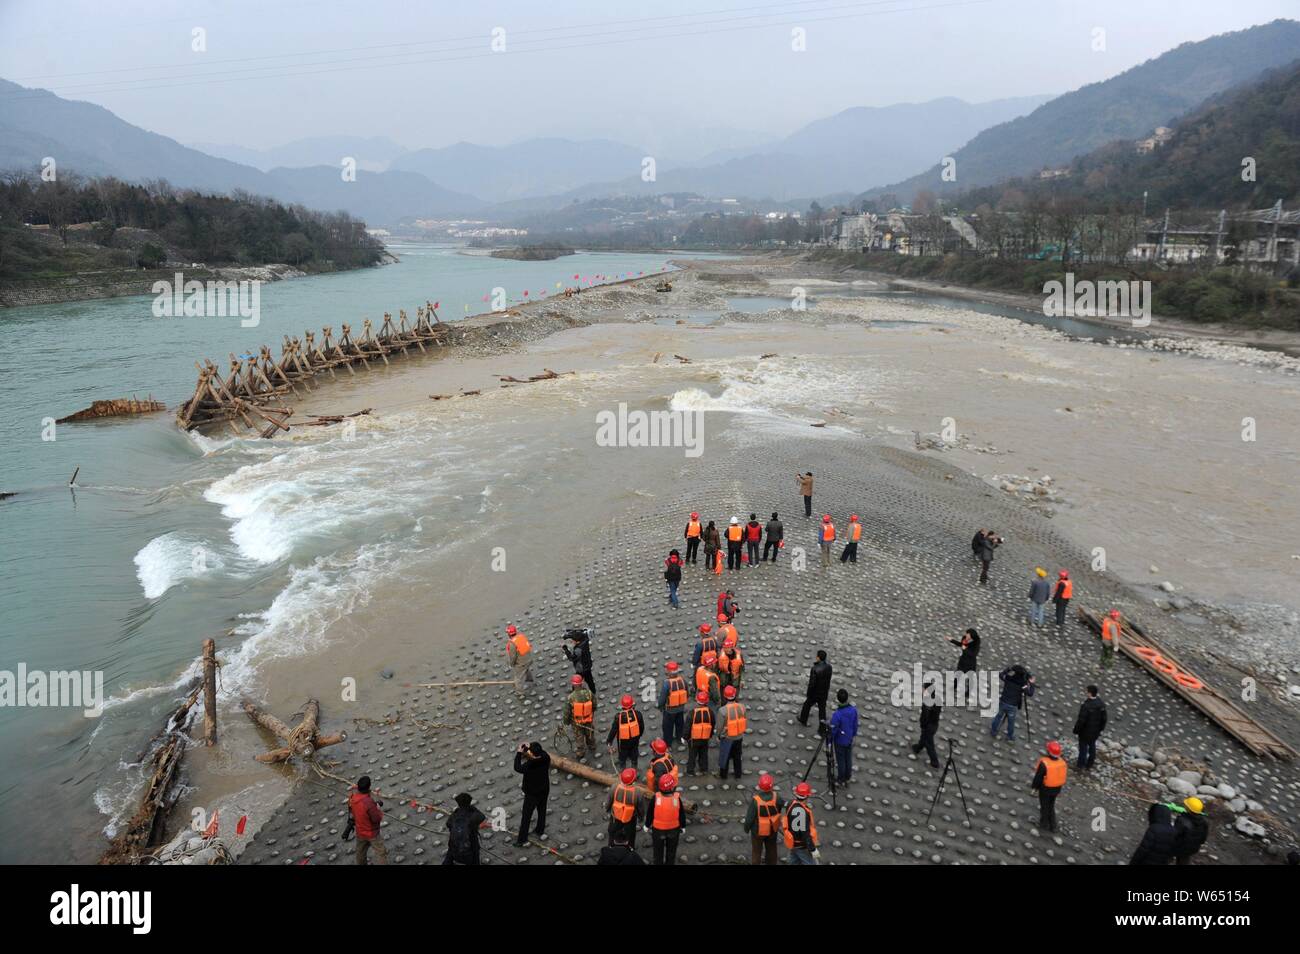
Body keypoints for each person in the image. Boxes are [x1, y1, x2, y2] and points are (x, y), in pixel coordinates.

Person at [513, 741, 550, 847]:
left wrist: (519, 753)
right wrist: (530, 748)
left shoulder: (530, 764)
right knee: (542, 810)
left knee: (526, 817)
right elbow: (538, 753)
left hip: (532, 794)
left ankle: (522, 839)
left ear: (532, 754)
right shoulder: (545, 757)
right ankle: (540, 830)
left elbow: (517, 767)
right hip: (544, 789)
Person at [743, 773, 784, 865]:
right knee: (772, 849)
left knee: (756, 851)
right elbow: (782, 806)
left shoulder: (756, 800)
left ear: (760, 786)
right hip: (772, 829)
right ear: (772, 786)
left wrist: (746, 828)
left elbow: (750, 817)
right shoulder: (777, 797)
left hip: (758, 831)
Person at [647, 773, 687, 865]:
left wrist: (647, 824)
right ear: (671, 787)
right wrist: (683, 826)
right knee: (671, 852)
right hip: (674, 830)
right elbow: (681, 814)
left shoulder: (656, 797)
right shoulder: (677, 799)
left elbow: (650, 813)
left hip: (658, 831)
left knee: (657, 852)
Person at [989, 664, 1034, 741]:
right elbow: (1030, 693)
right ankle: (1010, 736)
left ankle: (993, 731)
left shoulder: (1008, 678)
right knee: (1011, 722)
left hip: (1003, 701)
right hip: (1012, 706)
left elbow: (1001, 675)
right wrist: (1032, 684)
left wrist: (1008, 669)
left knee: (998, 717)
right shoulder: (1023, 684)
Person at [349, 775, 387, 865]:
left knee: (360, 853)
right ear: (369, 787)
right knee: (381, 853)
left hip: (360, 831)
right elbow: (376, 819)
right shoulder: (368, 803)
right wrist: (377, 809)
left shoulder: (353, 799)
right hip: (371, 833)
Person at [1031, 740, 1067, 833]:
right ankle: (1053, 825)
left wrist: (1035, 787)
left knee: (1044, 806)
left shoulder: (1044, 763)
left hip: (1045, 789)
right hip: (1057, 789)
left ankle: (1044, 824)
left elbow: (1038, 777)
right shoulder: (1062, 762)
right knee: (1051, 805)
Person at [443, 792, 486, 865]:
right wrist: (473, 808)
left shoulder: (456, 814)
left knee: (448, 859)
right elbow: (482, 816)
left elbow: (448, 824)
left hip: (454, 845)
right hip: (471, 846)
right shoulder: (472, 814)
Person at [782, 781, 820, 864]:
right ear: (807, 796)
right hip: (802, 846)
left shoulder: (790, 804)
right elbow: (805, 833)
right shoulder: (803, 812)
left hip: (792, 843)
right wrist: (812, 849)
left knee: (793, 862)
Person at [606, 767, 644, 848]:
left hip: (615, 818)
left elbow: (608, 802)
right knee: (630, 836)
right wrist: (641, 817)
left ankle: (611, 848)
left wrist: (608, 810)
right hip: (630, 819)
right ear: (633, 780)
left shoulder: (614, 787)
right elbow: (640, 808)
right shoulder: (638, 792)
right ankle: (630, 850)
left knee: (612, 834)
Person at [1072, 685, 1107, 769]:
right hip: (1095, 732)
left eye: (1087, 691)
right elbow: (1104, 719)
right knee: (1092, 746)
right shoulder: (1101, 704)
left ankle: (1080, 765)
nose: (1086, 692)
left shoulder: (1086, 706)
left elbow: (1081, 720)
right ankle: (1090, 764)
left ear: (1090, 693)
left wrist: (1076, 730)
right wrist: (1100, 729)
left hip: (1085, 732)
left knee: (1083, 749)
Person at [606, 694, 644, 770]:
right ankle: (634, 771)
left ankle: (623, 771)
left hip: (623, 744)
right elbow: (642, 728)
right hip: (634, 741)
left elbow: (613, 730)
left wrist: (609, 741)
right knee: (634, 757)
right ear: (632, 705)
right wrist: (638, 736)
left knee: (622, 759)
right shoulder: (638, 714)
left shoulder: (618, 717)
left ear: (622, 706)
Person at [563, 673, 597, 759]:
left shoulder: (571, 697)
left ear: (573, 685)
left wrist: (566, 721)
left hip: (577, 722)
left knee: (579, 736)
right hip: (588, 719)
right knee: (589, 733)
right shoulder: (589, 693)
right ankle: (592, 745)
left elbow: (567, 711)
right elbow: (594, 705)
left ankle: (581, 751)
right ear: (582, 683)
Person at [716, 684, 747, 779]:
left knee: (724, 756)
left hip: (727, 738)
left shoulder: (722, 711)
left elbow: (719, 727)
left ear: (725, 696)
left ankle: (723, 775)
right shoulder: (742, 707)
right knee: (737, 757)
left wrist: (718, 736)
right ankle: (738, 774)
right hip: (739, 737)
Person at [829, 688, 858, 782]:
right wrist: (853, 735)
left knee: (841, 760)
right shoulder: (853, 710)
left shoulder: (837, 714)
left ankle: (841, 778)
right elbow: (855, 724)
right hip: (849, 738)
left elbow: (833, 729)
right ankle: (848, 776)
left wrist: (829, 741)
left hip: (839, 741)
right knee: (848, 758)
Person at [657, 661, 689, 748]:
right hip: (680, 708)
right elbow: (687, 694)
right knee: (680, 724)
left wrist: (660, 706)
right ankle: (680, 738)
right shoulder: (683, 681)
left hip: (669, 711)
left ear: (668, 672)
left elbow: (662, 698)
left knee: (667, 727)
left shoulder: (666, 684)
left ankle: (668, 744)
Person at [798, 650, 832, 727]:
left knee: (807, 705)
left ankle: (803, 719)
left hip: (815, 693)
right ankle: (822, 726)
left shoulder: (815, 669)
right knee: (822, 710)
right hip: (824, 693)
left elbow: (812, 683)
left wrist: (809, 693)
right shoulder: (829, 667)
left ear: (818, 658)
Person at [911, 682, 941, 768]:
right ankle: (918, 748)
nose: (921, 690)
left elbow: (926, 715)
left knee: (929, 744)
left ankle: (935, 762)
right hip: (934, 724)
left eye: (923, 688)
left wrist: (923, 724)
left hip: (929, 725)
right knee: (924, 737)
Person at [948, 628, 980, 705]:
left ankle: (968, 692)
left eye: (967, 634)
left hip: (970, 663)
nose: (966, 635)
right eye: (966, 634)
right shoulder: (964, 638)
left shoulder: (976, 643)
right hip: (963, 660)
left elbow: (973, 654)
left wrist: (965, 649)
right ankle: (954, 686)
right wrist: (952, 640)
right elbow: (961, 644)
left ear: (971, 636)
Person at [686, 690, 715, 775]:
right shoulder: (710, 712)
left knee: (692, 755)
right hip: (705, 738)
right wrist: (710, 734)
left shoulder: (692, 713)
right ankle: (704, 769)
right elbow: (712, 724)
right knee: (704, 754)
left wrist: (685, 737)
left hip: (693, 739)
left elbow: (687, 727)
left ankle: (690, 771)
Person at [1173, 797, 1209, 865]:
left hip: (1179, 847)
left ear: (1189, 809)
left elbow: (1174, 835)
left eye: (1186, 806)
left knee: (1167, 855)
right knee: (1184, 859)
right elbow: (1203, 840)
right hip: (1193, 848)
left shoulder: (1182, 821)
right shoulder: (1204, 822)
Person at [563, 627, 596, 693]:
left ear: (577, 641)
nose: (572, 641)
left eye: (573, 640)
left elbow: (572, 658)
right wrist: (570, 632)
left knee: (577, 680)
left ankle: (574, 692)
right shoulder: (585, 639)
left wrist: (566, 649)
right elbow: (579, 632)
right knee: (590, 680)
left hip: (581, 668)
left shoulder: (578, 650)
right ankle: (593, 691)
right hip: (587, 665)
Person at [505, 624, 533, 696]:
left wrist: (512, 664)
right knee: (526, 669)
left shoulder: (512, 644)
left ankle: (520, 692)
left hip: (521, 663)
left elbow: (513, 657)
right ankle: (529, 680)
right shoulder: (521, 636)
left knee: (518, 678)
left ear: (509, 634)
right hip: (529, 659)